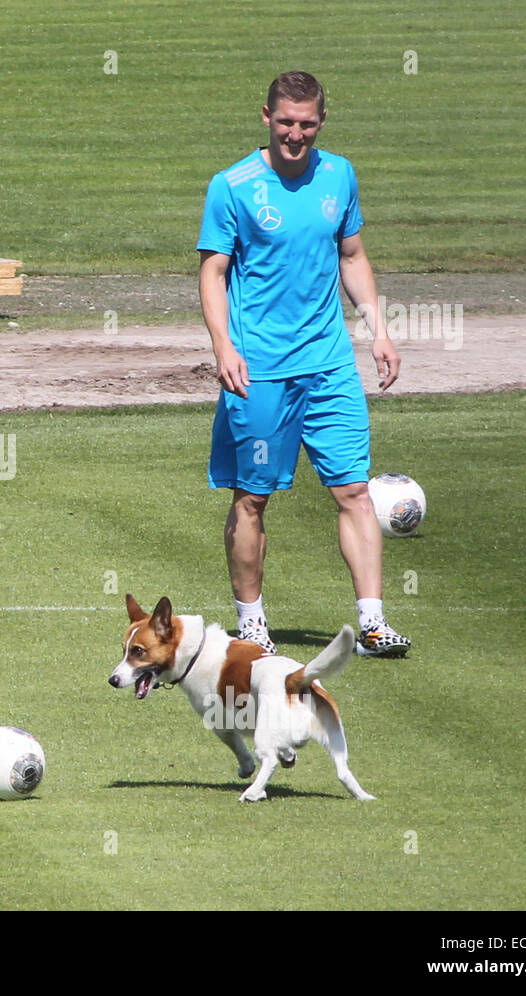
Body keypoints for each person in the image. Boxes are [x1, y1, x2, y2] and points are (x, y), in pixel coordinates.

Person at [197, 71, 410, 658]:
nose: (295, 134)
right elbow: (212, 272)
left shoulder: (338, 175)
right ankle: (252, 623)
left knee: (354, 491)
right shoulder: (233, 185)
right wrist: (223, 346)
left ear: (321, 121)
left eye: (307, 124)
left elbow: (353, 255)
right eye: (285, 122)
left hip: (329, 366)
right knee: (252, 498)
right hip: (259, 371)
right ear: (266, 117)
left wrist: (379, 332)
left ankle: (371, 624)